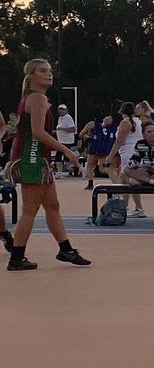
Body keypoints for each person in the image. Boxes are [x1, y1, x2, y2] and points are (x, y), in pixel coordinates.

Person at [2, 59, 89, 270]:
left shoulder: (29, 98)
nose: (49, 74)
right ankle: (17, 257)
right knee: (30, 210)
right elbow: (38, 133)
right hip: (33, 159)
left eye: (49, 71)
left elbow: (18, 130)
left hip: (36, 159)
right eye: (42, 71)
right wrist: (67, 150)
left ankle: (65, 249)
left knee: (52, 206)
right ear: (31, 76)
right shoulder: (37, 99)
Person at [83, 114, 115, 189]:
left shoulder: (93, 124)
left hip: (95, 148)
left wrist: (88, 137)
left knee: (90, 166)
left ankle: (90, 183)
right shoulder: (111, 127)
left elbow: (81, 134)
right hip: (105, 149)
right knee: (102, 168)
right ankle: (115, 174)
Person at [54, 103, 78, 176]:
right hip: (61, 140)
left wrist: (62, 129)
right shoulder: (60, 118)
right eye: (60, 109)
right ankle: (69, 169)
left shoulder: (68, 117)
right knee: (64, 156)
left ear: (66, 110)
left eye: (62, 109)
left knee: (62, 155)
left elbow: (73, 129)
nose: (61, 111)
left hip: (67, 141)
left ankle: (73, 168)